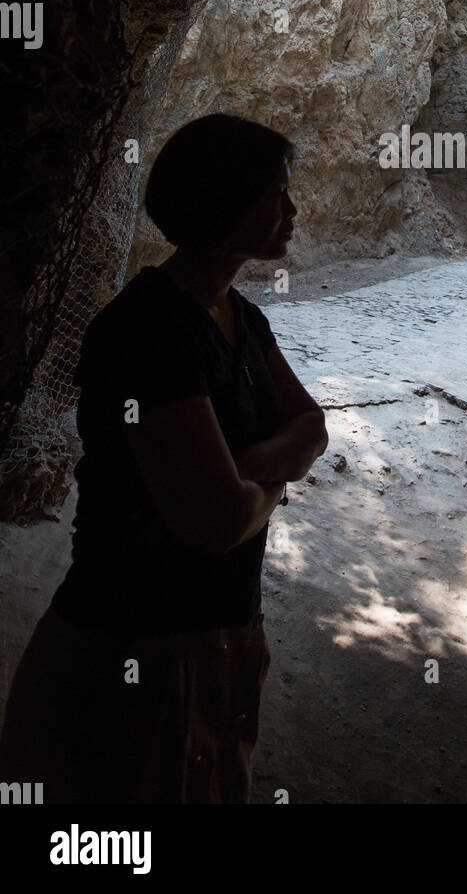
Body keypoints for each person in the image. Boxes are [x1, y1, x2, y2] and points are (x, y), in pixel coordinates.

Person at [0, 113, 328, 804]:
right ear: (227, 200)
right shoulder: (147, 330)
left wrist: (243, 473)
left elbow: (313, 427)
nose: (293, 209)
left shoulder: (241, 317)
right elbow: (215, 520)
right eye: (278, 191)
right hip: (132, 644)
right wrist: (272, 478)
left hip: (224, 632)